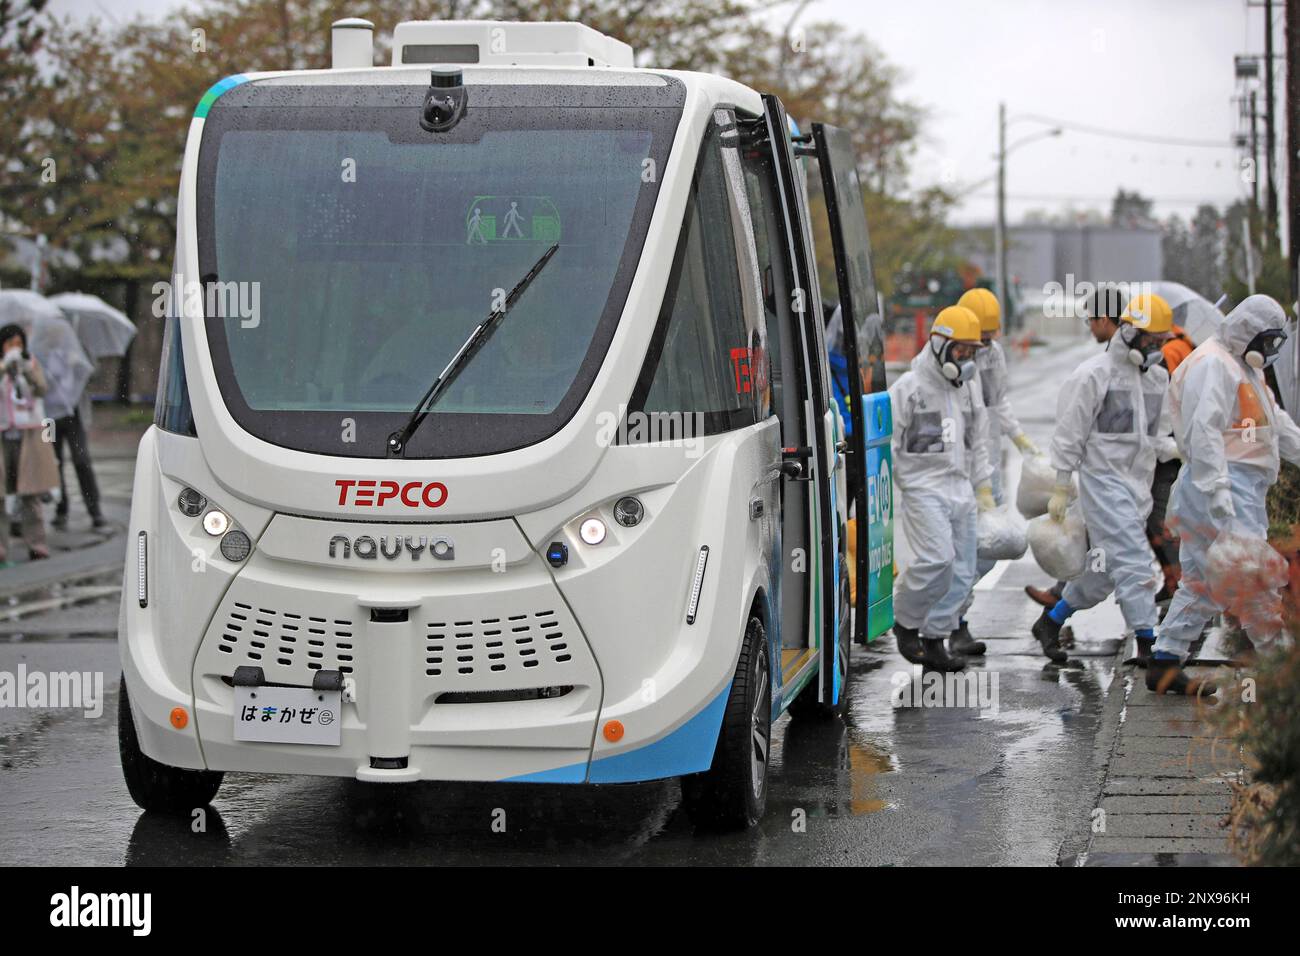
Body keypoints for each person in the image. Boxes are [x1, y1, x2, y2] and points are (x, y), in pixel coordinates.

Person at [1150, 295, 1300, 695]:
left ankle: (1164, 660)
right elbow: (1204, 431)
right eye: (1265, 342)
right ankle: (1278, 667)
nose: (1267, 353)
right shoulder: (1214, 364)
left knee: (1202, 582)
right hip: (1222, 487)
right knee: (1253, 576)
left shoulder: (1242, 368)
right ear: (1247, 330)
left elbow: (1273, 426)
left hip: (1232, 487)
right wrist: (1218, 491)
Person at [1029, 294, 1177, 665]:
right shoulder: (1094, 375)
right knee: (1134, 561)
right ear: (1128, 333)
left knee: (1102, 573)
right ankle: (1148, 644)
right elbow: (1069, 435)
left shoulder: (1157, 379)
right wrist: (1062, 487)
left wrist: (1178, 449)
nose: (1156, 349)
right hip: (1103, 486)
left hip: (1137, 487)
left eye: (1161, 342)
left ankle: (1051, 621)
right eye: (1150, 341)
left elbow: (1157, 436)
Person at [888, 306, 996, 671]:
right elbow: (889, 444)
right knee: (937, 559)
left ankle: (935, 640)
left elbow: (977, 441)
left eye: (971, 353)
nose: (966, 360)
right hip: (923, 489)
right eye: (960, 351)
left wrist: (983, 488)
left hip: (960, 489)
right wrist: (893, 487)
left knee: (962, 571)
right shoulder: (908, 389)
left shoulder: (966, 390)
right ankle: (905, 621)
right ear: (939, 345)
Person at [1025, 283, 1125, 610]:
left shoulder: (1124, 368)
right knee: (1101, 550)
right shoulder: (1105, 366)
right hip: (1113, 479)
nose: (1089, 326)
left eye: (1091, 320)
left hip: (1132, 478)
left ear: (1106, 319)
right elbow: (1073, 431)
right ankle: (1057, 607)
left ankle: (1057, 609)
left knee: (1116, 556)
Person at [953, 287, 1039, 655]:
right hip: (960, 472)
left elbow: (998, 400)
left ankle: (951, 616)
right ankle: (950, 624)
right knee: (962, 553)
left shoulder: (993, 355)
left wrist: (1020, 438)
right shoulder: (951, 360)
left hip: (988, 467)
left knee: (994, 547)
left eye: (990, 339)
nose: (985, 347)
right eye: (980, 340)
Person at [0, 323, 60, 563]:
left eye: (19, 343)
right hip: (3, 435)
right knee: (1, 496)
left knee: (31, 494)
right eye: (10, 343)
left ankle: (37, 544)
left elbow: (42, 389)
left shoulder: (31, 363)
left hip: (29, 435)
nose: (15, 348)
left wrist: (25, 370)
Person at [40, 345, 105, 531]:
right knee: (53, 462)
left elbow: (94, 374)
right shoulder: (40, 348)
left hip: (73, 413)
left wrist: (79, 364)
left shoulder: (76, 343)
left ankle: (95, 510)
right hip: (48, 417)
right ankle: (61, 508)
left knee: (81, 460)